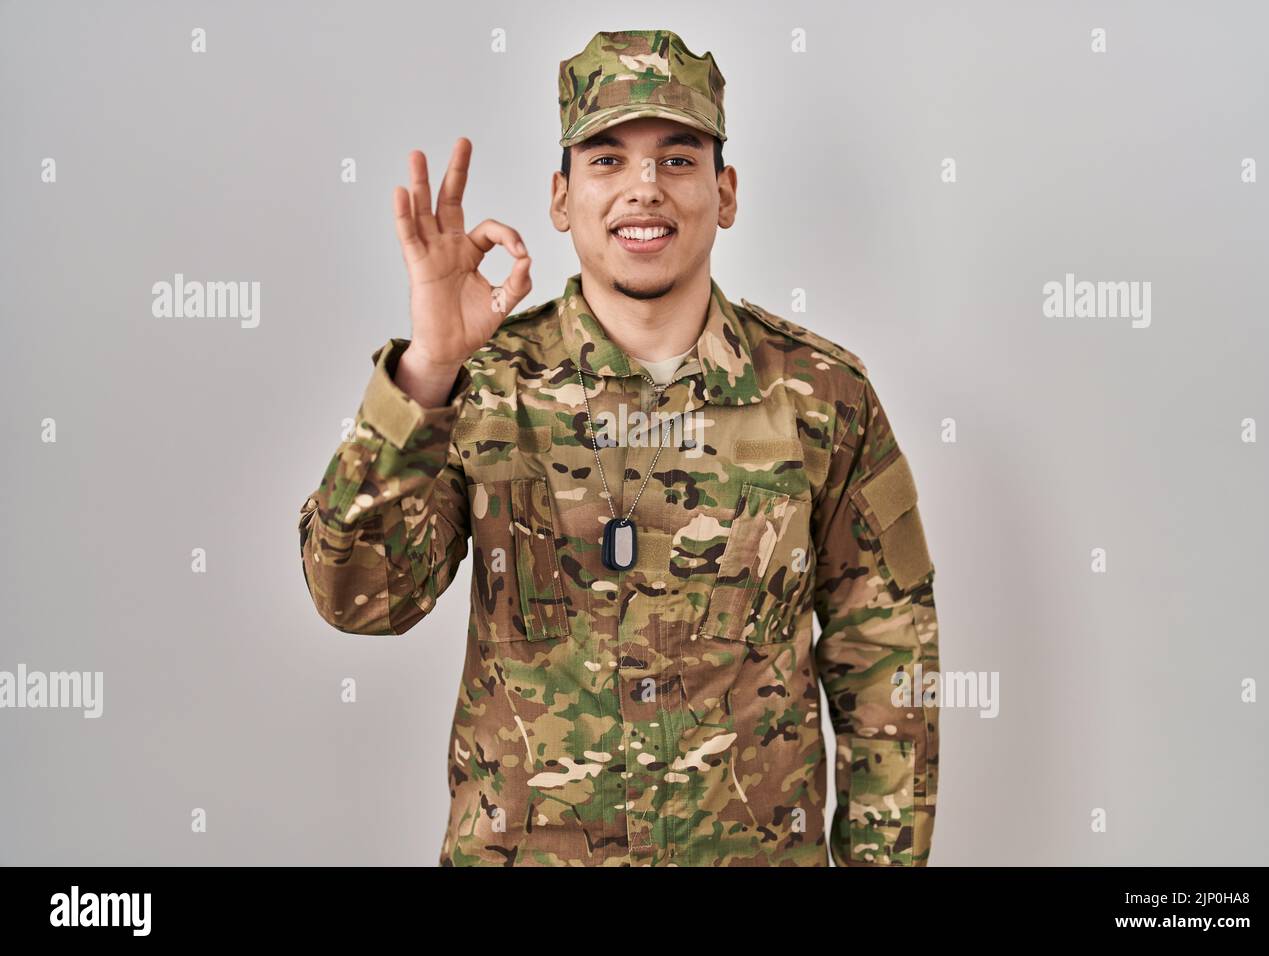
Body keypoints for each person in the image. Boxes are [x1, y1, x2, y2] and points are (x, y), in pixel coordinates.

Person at [297, 29, 940, 867]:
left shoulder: (823, 397)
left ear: (725, 192)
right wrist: (426, 372)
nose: (645, 188)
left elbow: (889, 667)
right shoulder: (483, 388)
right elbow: (359, 598)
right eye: (607, 160)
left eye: (677, 159)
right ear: (561, 199)